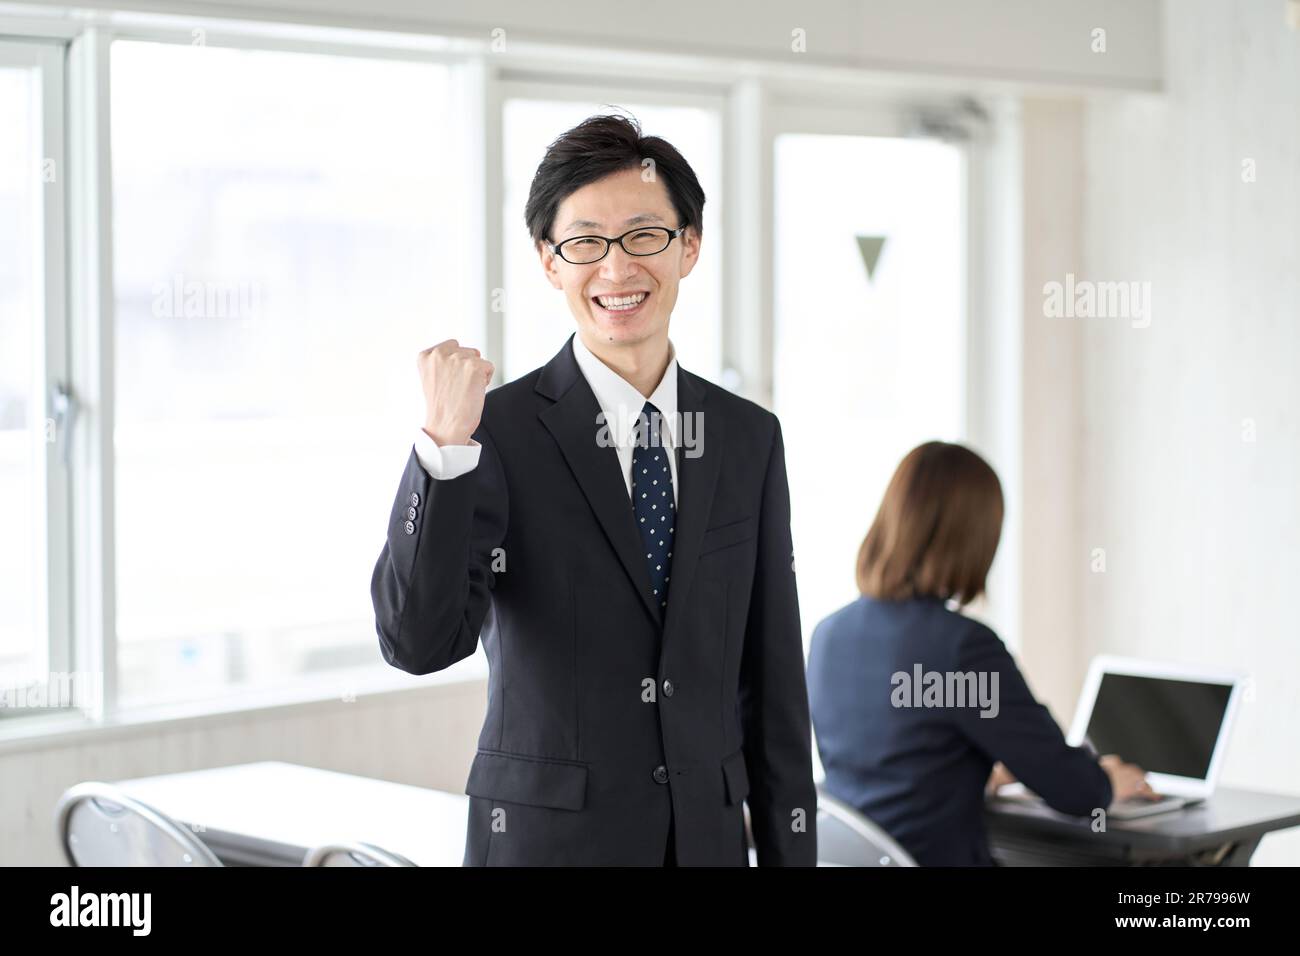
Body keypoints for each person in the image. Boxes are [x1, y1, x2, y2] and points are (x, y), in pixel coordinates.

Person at [371, 113, 817, 866]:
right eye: (584, 244)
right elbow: (415, 643)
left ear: (689, 247)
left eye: (645, 236)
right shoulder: (496, 433)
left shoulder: (748, 437)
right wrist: (442, 448)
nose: (616, 270)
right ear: (550, 262)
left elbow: (773, 689)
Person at [806, 441, 1154, 865]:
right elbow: (1073, 790)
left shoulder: (828, 635)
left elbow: (889, 765)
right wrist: (1106, 782)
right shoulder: (962, 648)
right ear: (973, 538)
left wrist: (976, 774)